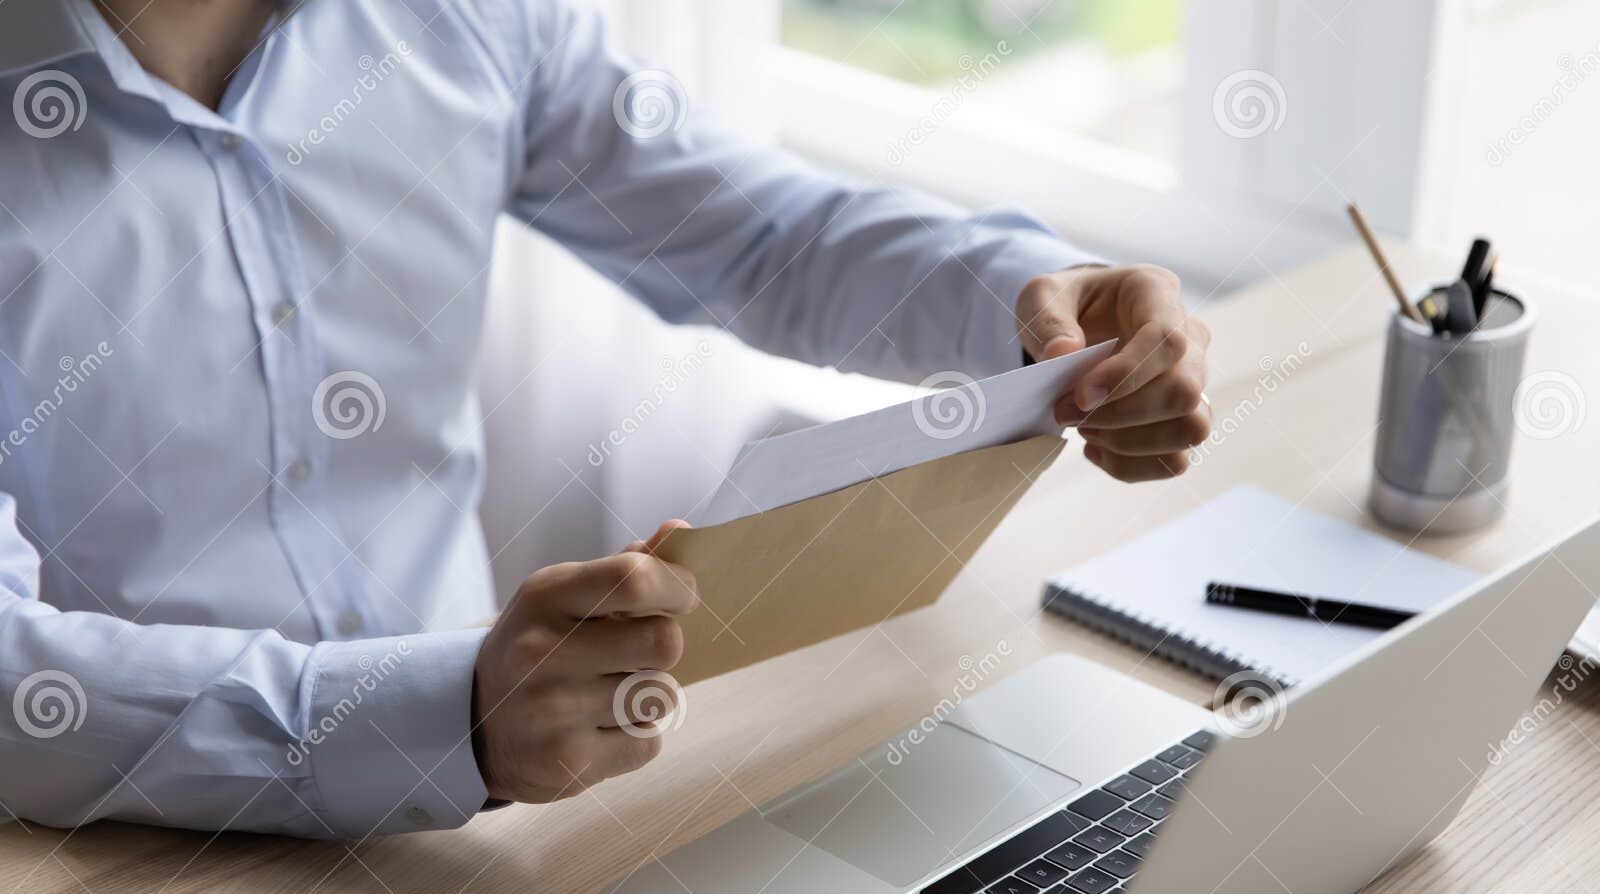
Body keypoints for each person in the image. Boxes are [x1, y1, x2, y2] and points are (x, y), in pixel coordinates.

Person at [0, 0, 1211, 838]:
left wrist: (1027, 302)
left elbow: (760, 236)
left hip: (488, 823)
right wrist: (443, 713)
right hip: (124, 850)